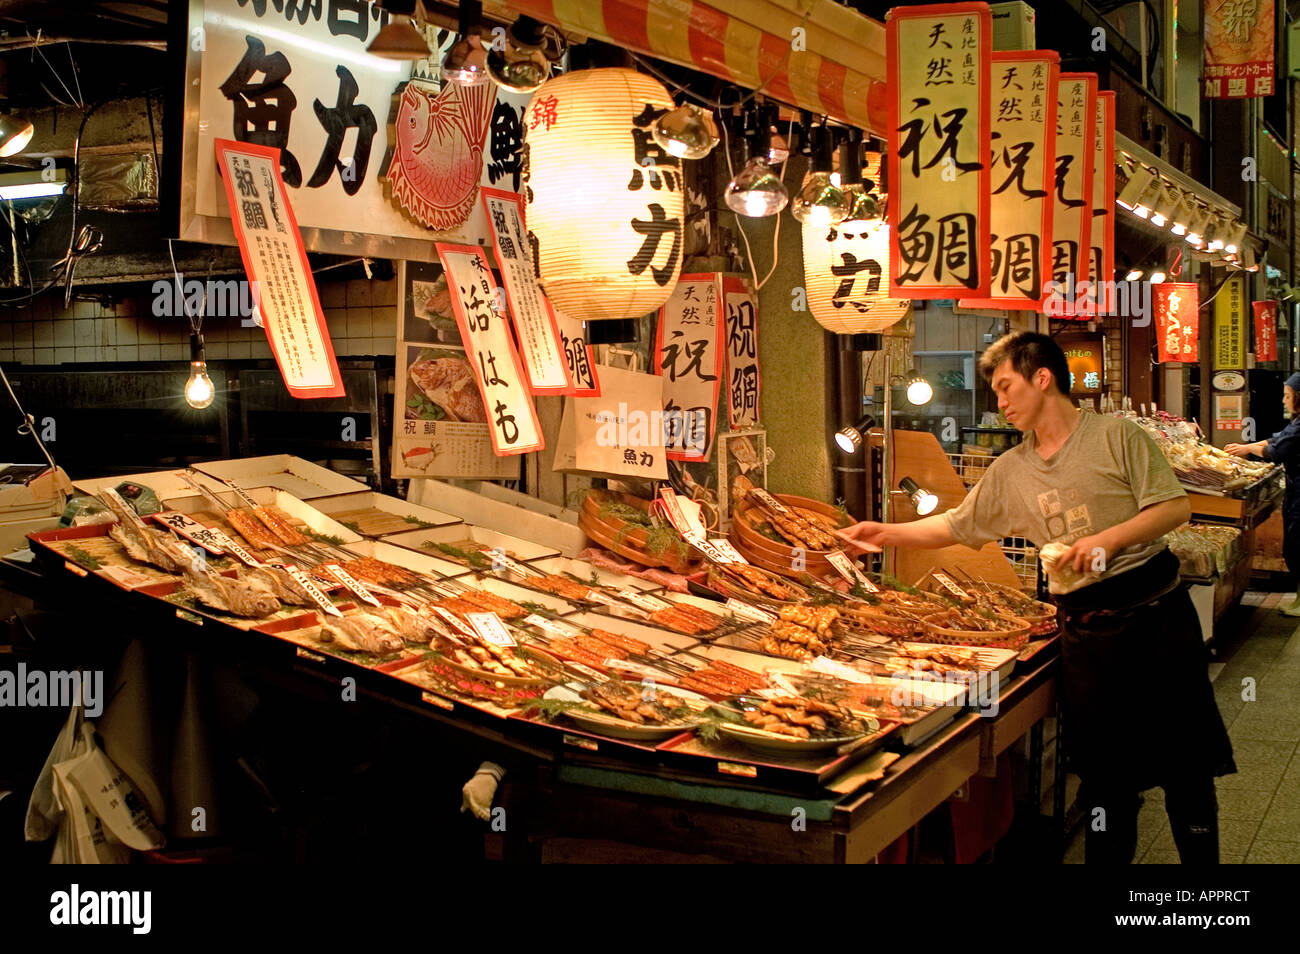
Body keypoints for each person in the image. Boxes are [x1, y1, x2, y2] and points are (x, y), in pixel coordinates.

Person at [837, 332, 1235, 864]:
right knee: (1104, 785)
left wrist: (1104, 540)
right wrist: (885, 533)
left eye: (1006, 387)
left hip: (1158, 620)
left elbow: (1172, 509)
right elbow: (957, 525)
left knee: (1186, 771)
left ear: (1042, 377)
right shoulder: (1010, 470)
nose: (999, 402)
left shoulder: (1117, 437)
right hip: (1088, 636)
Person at [1226, 372, 1300, 616]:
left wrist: (1247, 448)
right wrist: (1248, 447)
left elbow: (1276, 451)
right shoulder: (1297, 423)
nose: (1283, 401)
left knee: (1298, 545)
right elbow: (1277, 439)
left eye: (1287, 396)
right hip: (1295, 492)